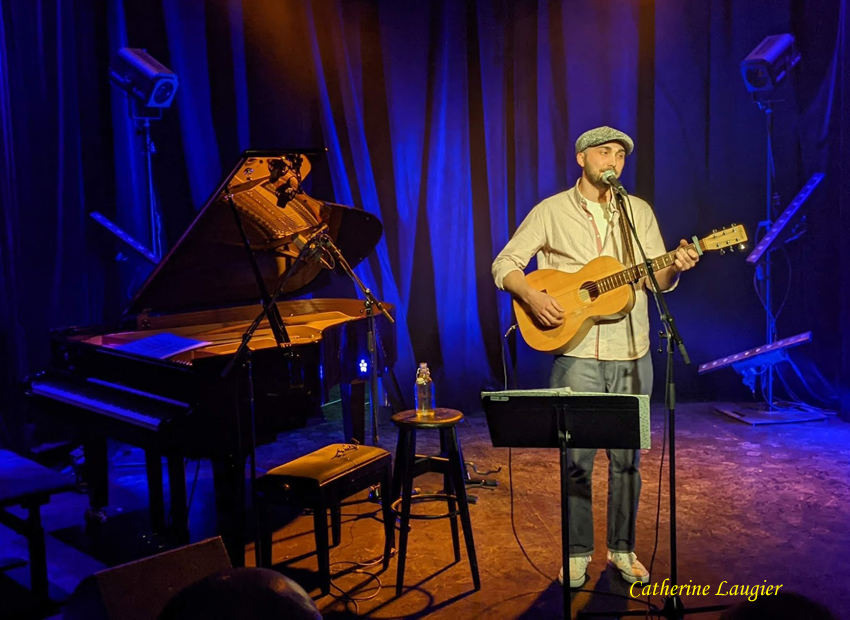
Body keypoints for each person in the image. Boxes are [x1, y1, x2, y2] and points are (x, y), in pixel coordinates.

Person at [491, 126, 699, 589]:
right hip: (575, 351)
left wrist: (675, 266)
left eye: (621, 155)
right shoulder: (550, 211)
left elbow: (653, 281)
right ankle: (578, 552)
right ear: (582, 157)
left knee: (628, 460)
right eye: (605, 152)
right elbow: (504, 264)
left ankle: (622, 550)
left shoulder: (637, 211)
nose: (614, 160)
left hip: (633, 352)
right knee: (577, 459)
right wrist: (531, 294)